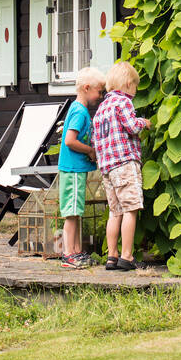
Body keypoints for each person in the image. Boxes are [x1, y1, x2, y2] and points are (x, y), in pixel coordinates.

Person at [92, 61, 149, 272]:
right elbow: (132, 126)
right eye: (134, 86)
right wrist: (144, 122)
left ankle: (111, 256)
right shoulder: (123, 103)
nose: (135, 92)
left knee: (114, 213)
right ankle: (127, 256)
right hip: (124, 163)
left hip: (107, 168)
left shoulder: (101, 110)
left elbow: (96, 141)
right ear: (127, 83)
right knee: (131, 209)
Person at [58, 67, 106, 269]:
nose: (101, 96)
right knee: (71, 211)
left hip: (76, 169)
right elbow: (70, 141)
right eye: (100, 91)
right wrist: (90, 151)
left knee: (76, 211)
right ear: (87, 88)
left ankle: (76, 252)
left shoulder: (78, 109)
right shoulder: (80, 111)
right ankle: (68, 254)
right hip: (73, 169)